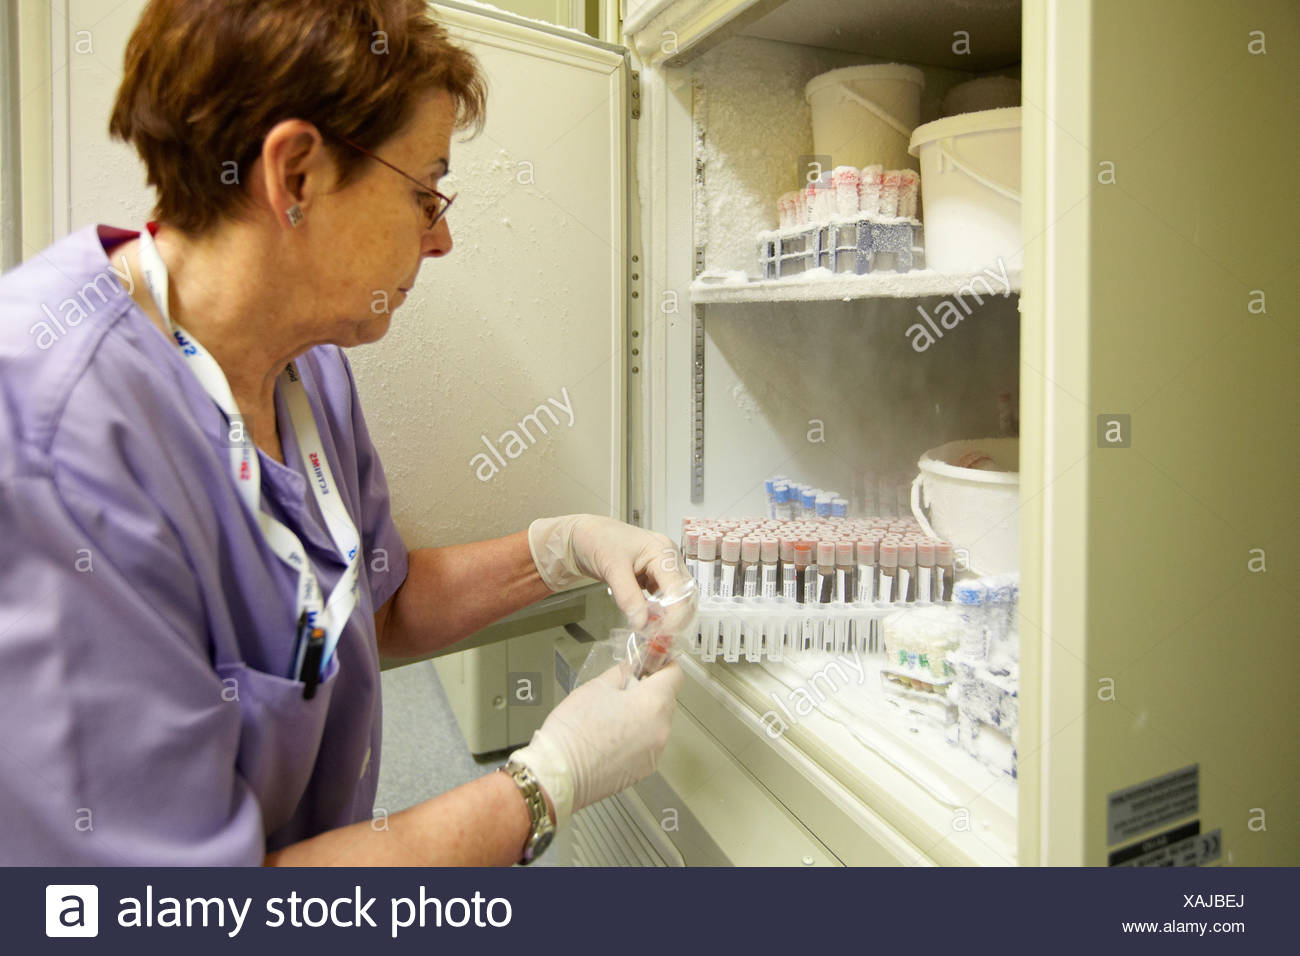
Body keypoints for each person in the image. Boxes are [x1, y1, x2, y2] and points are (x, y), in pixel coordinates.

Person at [0, 0, 691, 866]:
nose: (440, 238)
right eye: (423, 192)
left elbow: (371, 603)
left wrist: (567, 548)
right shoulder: (48, 435)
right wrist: (540, 785)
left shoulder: (306, 364)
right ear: (295, 176)